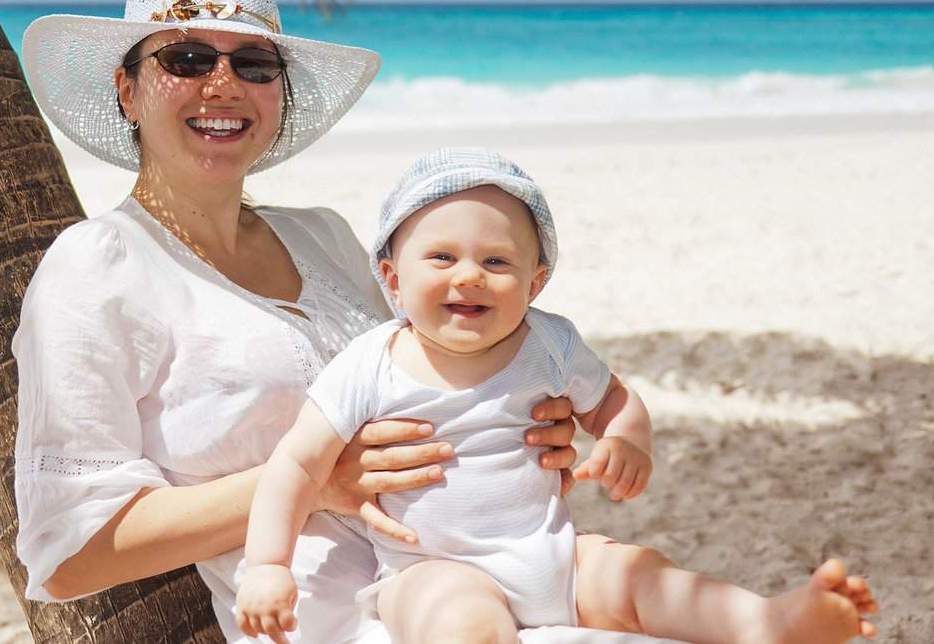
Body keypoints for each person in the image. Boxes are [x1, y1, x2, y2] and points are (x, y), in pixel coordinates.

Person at [15, 0, 650, 644]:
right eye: (187, 58)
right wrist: (316, 480)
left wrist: (525, 412)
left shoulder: (324, 236)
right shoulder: (97, 267)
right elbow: (71, 552)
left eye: (254, 64)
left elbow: (423, 382)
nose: (222, 84)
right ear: (128, 89)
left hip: (489, 583)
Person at [235, 148, 880, 644]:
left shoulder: (549, 344)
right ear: (391, 277)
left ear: (535, 282)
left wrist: (628, 441)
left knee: (642, 574)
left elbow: (616, 402)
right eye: (441, 257)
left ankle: (769, 620)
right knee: (458, 620)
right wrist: (269, 562)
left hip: (555, 557)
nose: (469, 276)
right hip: (430, 567)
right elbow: (297, 464)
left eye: (496, 262)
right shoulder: (370, 364)